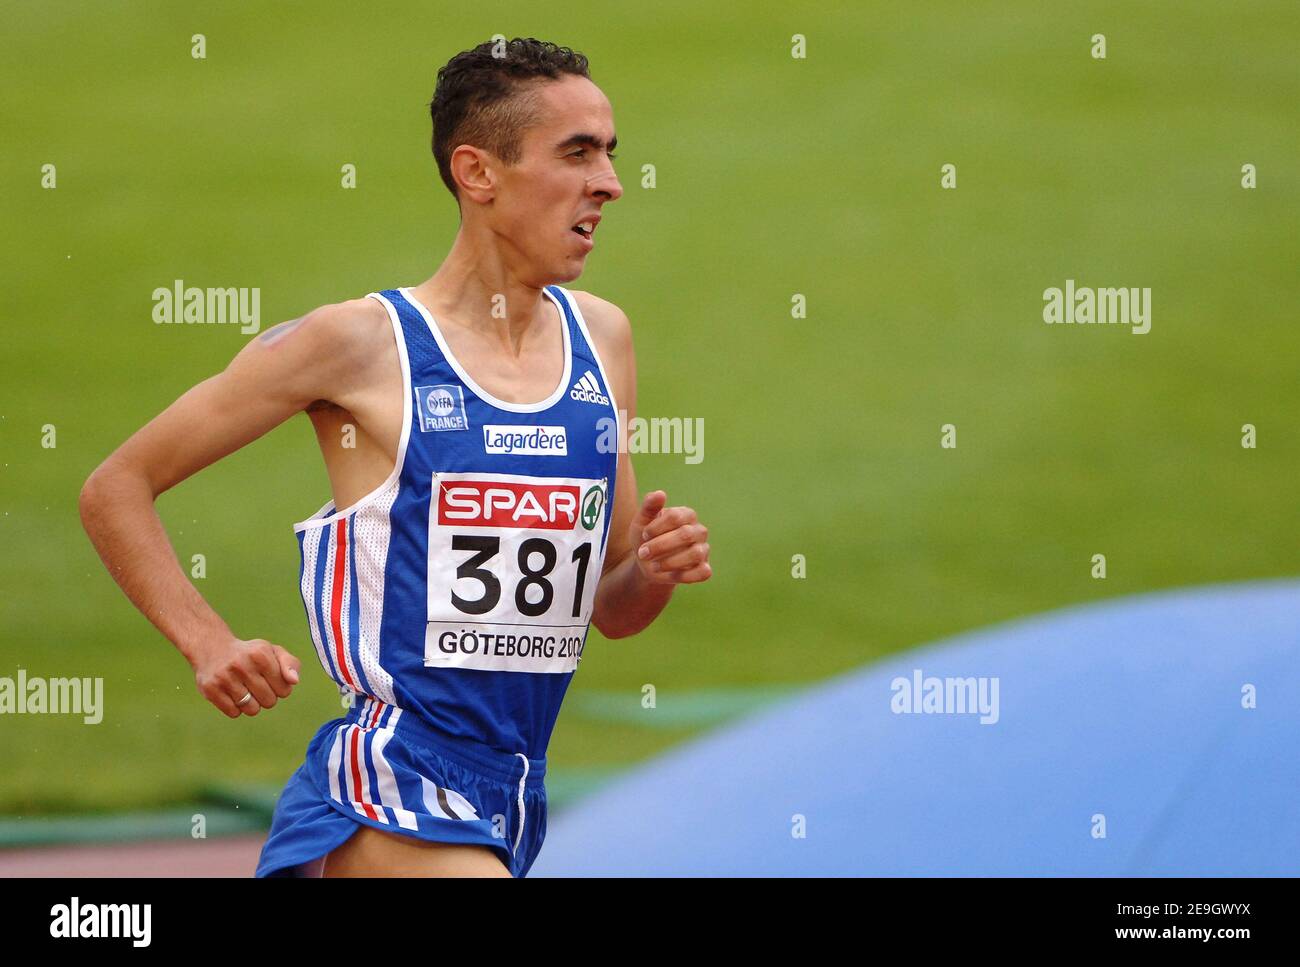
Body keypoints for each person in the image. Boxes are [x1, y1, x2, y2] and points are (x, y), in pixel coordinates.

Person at [78, 37, 712, 877]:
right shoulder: (359, 346)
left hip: (512, 795)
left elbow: (613, 603)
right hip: (390, 784)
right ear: (478, 172)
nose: (610, 181)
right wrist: (208, 642)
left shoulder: (603, 341)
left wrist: (656, 570)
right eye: (577, 153)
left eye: (609, 152)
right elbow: (117, 485)